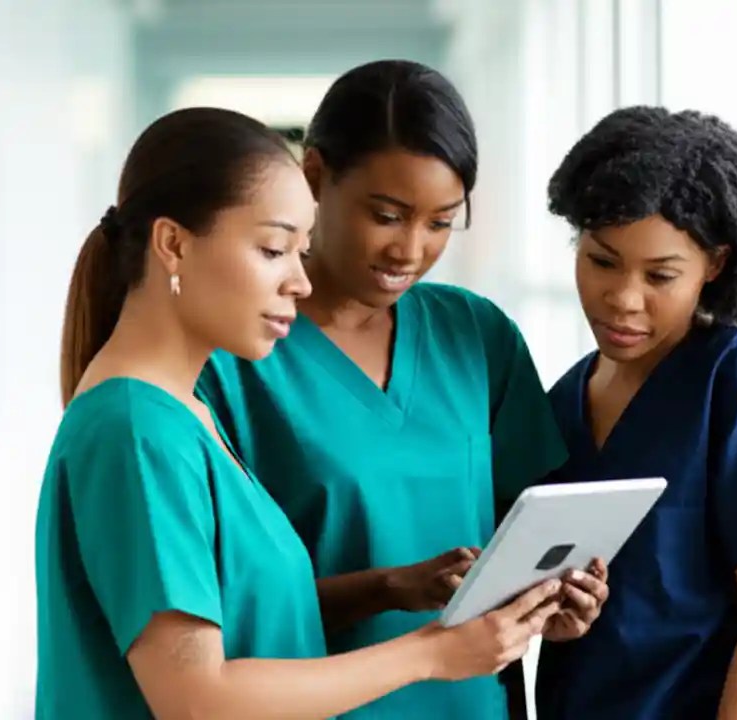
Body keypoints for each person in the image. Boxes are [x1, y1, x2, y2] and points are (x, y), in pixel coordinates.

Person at [34, 107, 566, 720]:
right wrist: (432, 653)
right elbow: (195, 699)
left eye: (301, 251)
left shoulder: (183, 419)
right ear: (173, 244)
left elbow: (247, 617)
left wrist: (389, 588)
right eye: (273, 249)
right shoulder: (135, 429)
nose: (300, 282)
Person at [196, 60, 609, 720]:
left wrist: (552, 601)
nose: (409, 250)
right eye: (387, 215)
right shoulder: (232, 358)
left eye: (441, 222)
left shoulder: (477, 335)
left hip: (476, 706)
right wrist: (386, 588)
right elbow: (220, 606)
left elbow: (517, 539)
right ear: (315, 177)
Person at [532, 106, 737, 720]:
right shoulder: (563, 402)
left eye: (661, 275)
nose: (622, 299)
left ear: (714, 267)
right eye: (602, 261)